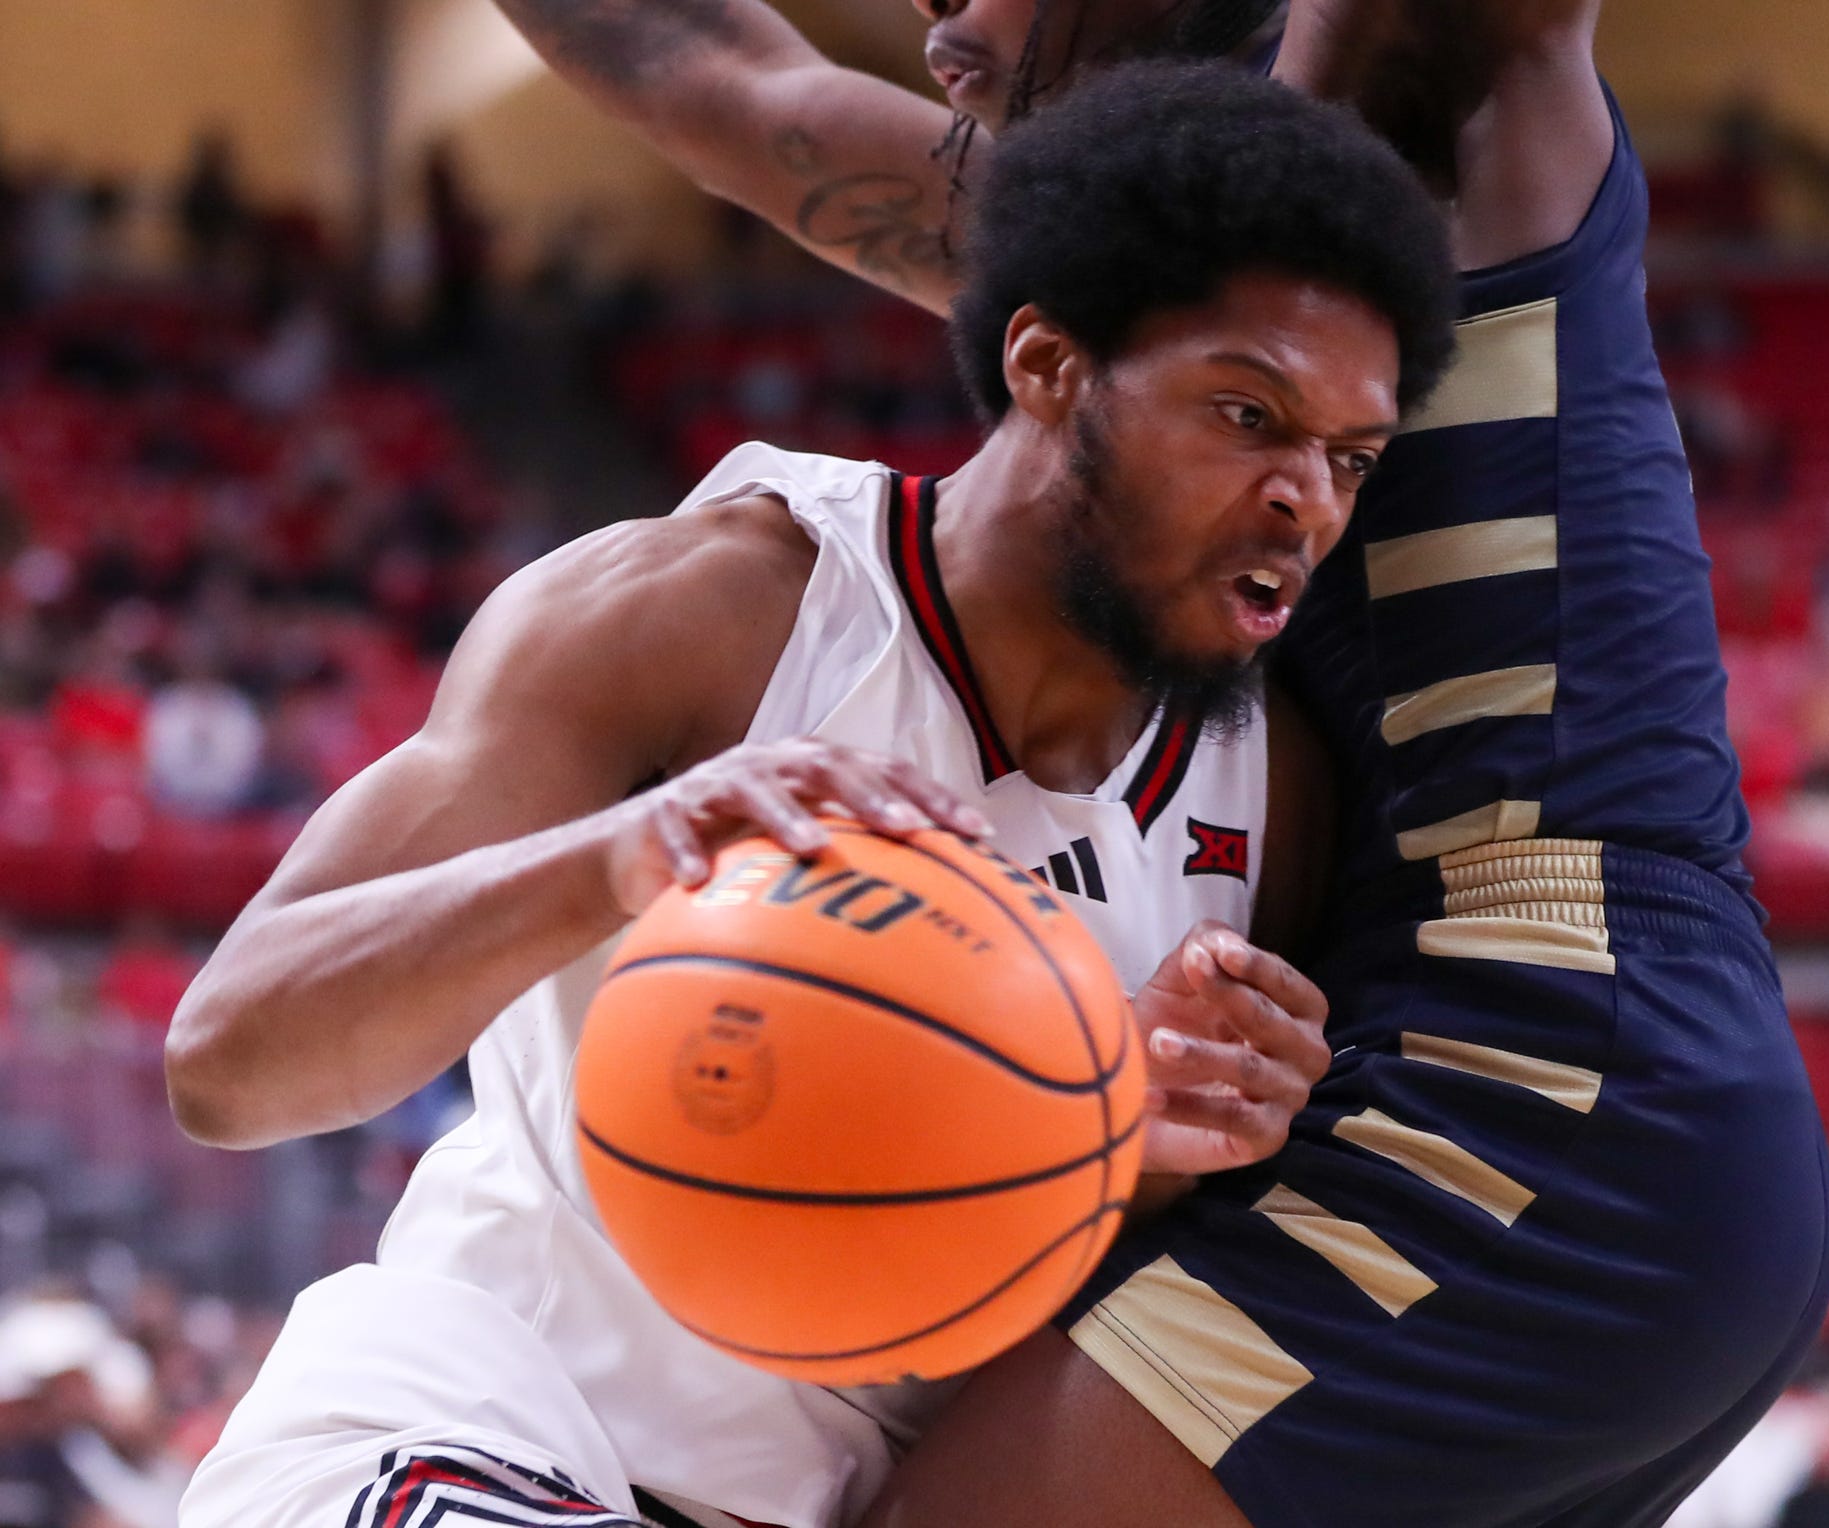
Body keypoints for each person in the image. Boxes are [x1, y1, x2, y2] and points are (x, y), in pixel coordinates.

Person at [483, 2, 1829, 1526]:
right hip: (1525, 1081)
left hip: (1544, 1057)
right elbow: (720, 79)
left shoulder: (1428, 89)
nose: (930, 8)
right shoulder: (1148, 245)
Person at [169, 64, 1457, 1528]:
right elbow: (230, 1059)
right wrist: (615, 860)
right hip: (480, 1424)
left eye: (1346, 456)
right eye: (1247, 413)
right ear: (1046, 366)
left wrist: (1128, 1158)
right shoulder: (715, 610)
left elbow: (1045, 1321)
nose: (1308, 498)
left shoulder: (1271, 794)